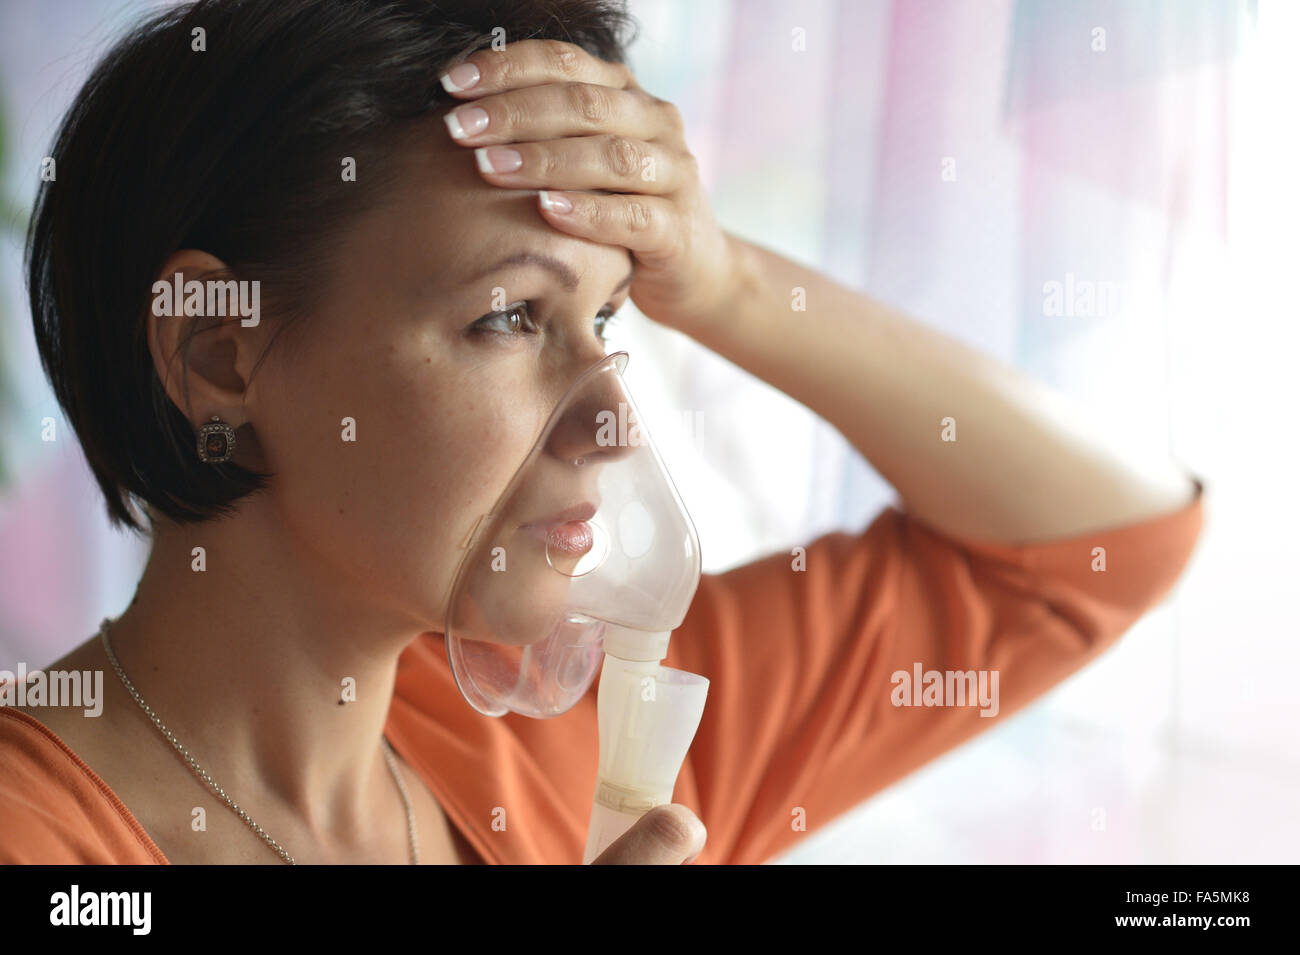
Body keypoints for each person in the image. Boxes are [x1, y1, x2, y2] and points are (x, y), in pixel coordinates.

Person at [0, 0, 1203, 865]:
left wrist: (723, 282)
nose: (616, 414)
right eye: (511, 315)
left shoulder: (585, 755)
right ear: (220, 355)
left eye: (611, 315)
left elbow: (1097, 545)